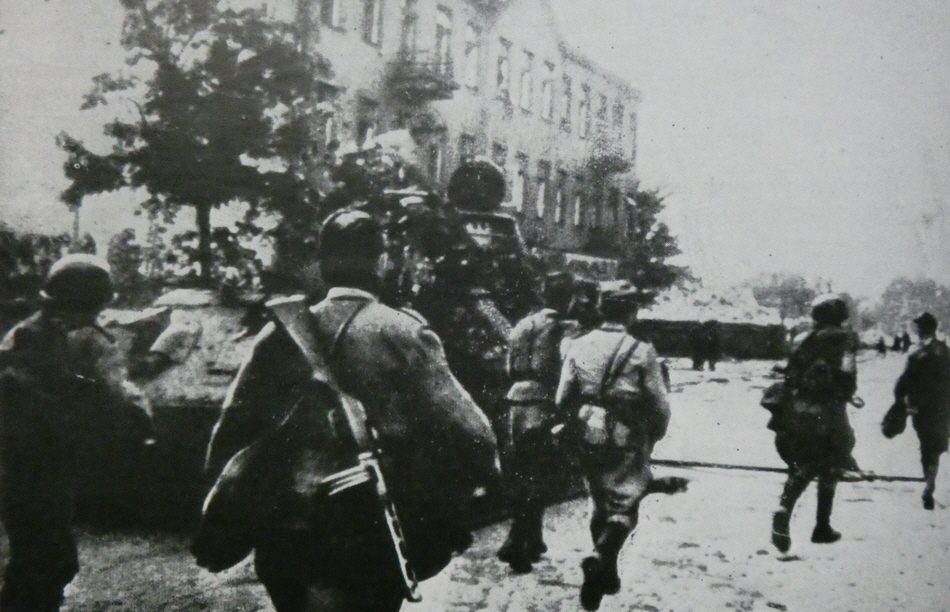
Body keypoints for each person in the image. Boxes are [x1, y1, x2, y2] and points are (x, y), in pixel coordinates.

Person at [200, 209, 499, 612]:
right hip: (368, 521)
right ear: (382, 261)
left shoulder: (280, 330)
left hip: (286, 518)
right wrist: (487, 476)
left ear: (322, 264)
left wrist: (222, 496)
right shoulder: (404, 331)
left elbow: (233, 423)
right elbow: (465, 424)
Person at [0, 254, 152, 612]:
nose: (95, 320)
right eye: (91, 310)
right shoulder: (30, 341)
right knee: (43, 562)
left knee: (51, 560)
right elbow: (38, 406)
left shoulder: (57, 334)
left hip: (50, 467)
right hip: (28, 468)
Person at [556, 288, 671, 611]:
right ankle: (601, 556)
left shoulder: (578, 344)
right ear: (631, 313)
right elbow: (659, 403)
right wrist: (654, 435)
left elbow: (562, 398)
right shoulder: (641, 350)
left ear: (602, 310)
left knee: (598, 501)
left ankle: (604, 571)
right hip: (626, 432)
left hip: (587, 430)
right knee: (626, 505)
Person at [496, 271, 577, 573]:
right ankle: (517, 543)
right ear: (568, 297)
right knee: (542, 474)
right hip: (544, 402)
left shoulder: (522, 324)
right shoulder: (565, 329)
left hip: (514, 402)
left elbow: (508, 366)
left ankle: (535, 537)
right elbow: (569, 369)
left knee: (520, 472)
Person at [770, 295, 859, 554]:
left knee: (803, 460)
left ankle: (786, 509)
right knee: (832, 459)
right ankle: (821, 526)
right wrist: (846, 391)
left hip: (796, 409)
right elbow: (847, 372)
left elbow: (788, 371)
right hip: (829, 410)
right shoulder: (846, 338)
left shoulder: (802, 338)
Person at [893, 312, 950, 510]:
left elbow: (904, 381)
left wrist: (900, 402)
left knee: (926, 445)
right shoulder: (945, 350)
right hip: (942, 407)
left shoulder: (915, 352)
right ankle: (930, 482)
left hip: (921, 408)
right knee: (937, 443)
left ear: (921, 329)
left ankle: (929, 483)